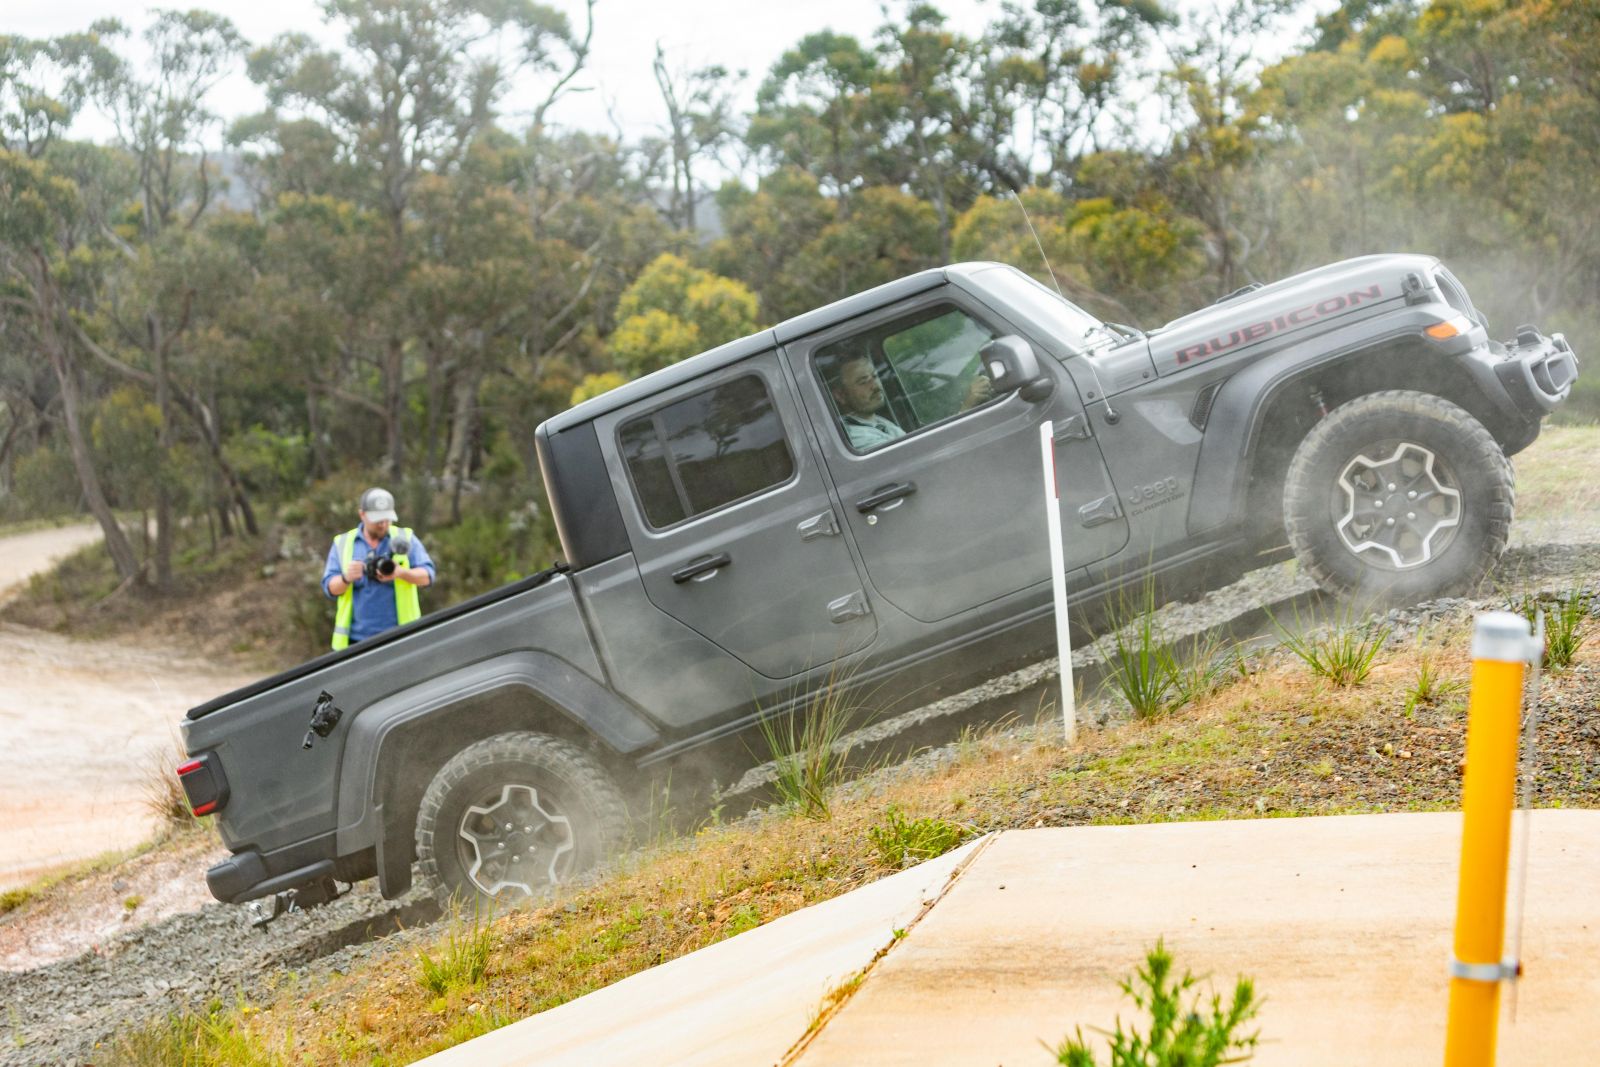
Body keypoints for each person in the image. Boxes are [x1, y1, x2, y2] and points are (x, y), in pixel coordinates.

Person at [322, 487, 436, 650]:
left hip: (403, 637)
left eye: (387, 519)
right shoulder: (343, 543)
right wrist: (346, 578)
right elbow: (330, 588)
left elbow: (427, 576)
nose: (383, 525)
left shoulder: (405, 538)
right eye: (378, 520)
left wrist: (401, 573)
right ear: (362, 514)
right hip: (355, 642)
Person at [825, 352, 994, 452]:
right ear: (840, 395)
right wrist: (967, 408)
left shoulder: (873, 421)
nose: (875, 385)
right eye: (863, 381)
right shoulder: (856, 438)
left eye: (875, 376)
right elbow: (922, 460)